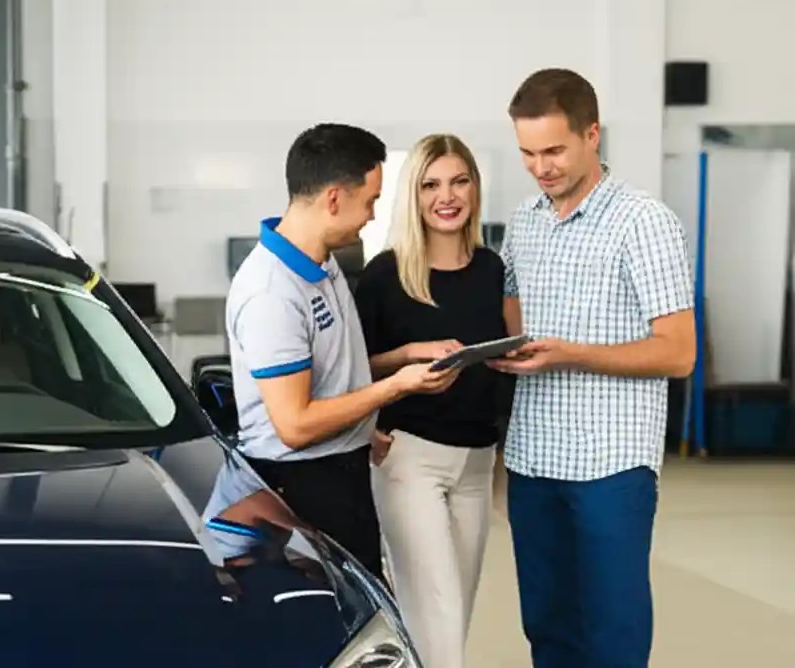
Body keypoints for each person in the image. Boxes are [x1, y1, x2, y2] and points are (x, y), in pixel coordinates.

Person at [489, 68, 696, 668]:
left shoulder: (644, 222)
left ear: (591, 134)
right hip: (533, 458)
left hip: (611, 464)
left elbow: (678, 352)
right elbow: (513, 316)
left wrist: (571, 352)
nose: (541, 166)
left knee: (612, 632)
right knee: (547, 627)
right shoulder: (525, 222)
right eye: (528, 152)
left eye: (554, 149)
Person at [224, 122, 460, 582]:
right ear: (335, 198)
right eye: (370, 200)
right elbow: (295, 424)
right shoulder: (272, 293)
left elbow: (330, 373)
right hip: (298, 488)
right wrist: (394, 388)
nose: (372, 214)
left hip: (340, 472)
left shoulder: (323, 263)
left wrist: (405, 356)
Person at [353, 133, 511, 668]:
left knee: (451, 615)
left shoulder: (495, 270)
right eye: (431, 184)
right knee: (436, 613)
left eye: (459, 180)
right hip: (409, 458)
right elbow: (352, 367)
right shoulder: (385, 273)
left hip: (477, 461)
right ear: (414, 195)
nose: (448, 196)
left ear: (475, 187)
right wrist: (408, 355)